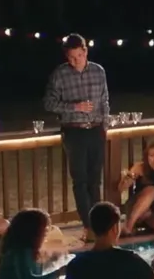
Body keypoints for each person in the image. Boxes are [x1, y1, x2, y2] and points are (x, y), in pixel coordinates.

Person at [44, 34, 110, 243]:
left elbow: (105, 101)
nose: (75, 61)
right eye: (71, 58)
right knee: (80, 182)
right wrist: (75, 107)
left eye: (79, 56)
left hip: (96, 130)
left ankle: (99, 226)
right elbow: (48, 103)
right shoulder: (60, 74)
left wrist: (105, 126)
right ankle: (88, 227)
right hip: (74, 132)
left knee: (95, 181)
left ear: (85, 51)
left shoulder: (98, 71)